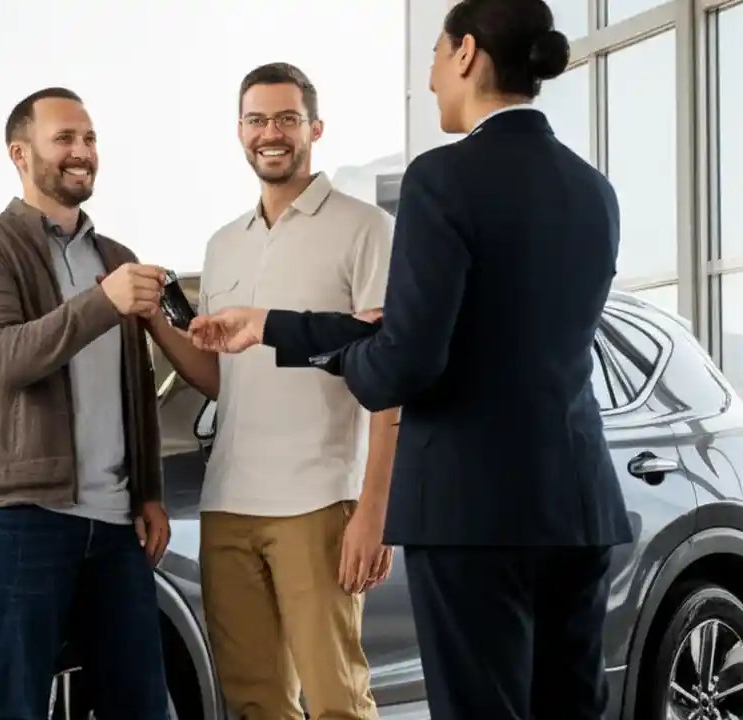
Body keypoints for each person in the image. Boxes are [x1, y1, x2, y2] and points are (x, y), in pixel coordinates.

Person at [187, 2, 633, 719]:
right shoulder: (594, 190)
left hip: (469, 511)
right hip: (577, 504)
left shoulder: (442, 179)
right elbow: (503, 334)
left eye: (434, 56)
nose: (429, 80)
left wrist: (360, 356)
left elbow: (406, 363)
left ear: (465, 54)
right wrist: (279, 325)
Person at [146, 62, 398, 720]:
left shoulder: (365, 228)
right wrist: (156, 322)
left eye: (287, 118)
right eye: (257, 119)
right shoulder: (224, 244)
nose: (271, 133)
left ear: (315, 128)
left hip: (320, 501)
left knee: (337, 702)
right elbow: (221, 383)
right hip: (230, 504)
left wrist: (374, 512)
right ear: (239, 132)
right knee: (255, 703)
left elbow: (390, 378)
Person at [0, 86, 173, 719]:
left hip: (115, 522)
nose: (82, 152)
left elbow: (137, 388)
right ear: (20, 153)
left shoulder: (116, 259)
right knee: (17, 706)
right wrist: (105, 302)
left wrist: (148, 490)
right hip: (18, 517)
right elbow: (6, 358)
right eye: (65, 139)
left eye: (90, 138)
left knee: (141, 706)